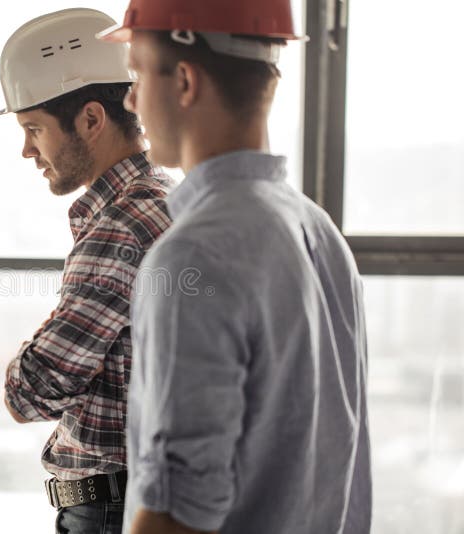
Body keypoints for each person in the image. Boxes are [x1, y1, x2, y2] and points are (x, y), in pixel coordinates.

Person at [97, 1, 372, 533]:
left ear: (183, 80)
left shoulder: (193, 257)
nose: (130, 100)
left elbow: (179, 513)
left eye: (136, 75)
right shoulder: (318, 230)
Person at [0, 8, 174, 533]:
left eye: (34, 130)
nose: (27, 151)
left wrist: (22, 360)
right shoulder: (164, 199)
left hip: (109, 508)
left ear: (91, 120)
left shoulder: (122, 225)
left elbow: (33, 388)